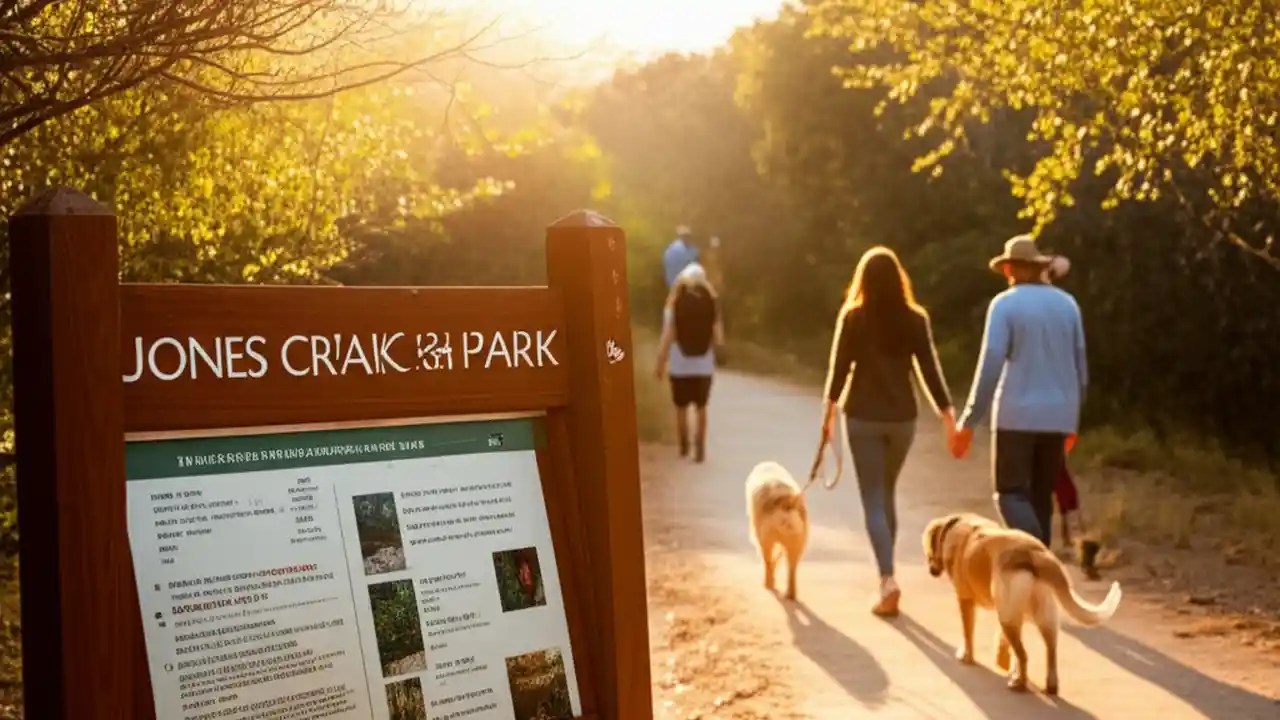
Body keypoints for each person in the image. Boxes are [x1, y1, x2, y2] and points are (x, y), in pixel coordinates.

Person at [820, 247, 956, 616]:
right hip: (902, 420)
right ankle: (887, 575)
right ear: (899, 280)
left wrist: (828, 414)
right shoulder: (915, 319)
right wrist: (947, 413)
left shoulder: (853, 317)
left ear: (863, 280)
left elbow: (839, 370)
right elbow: (929, 369)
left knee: (873, 499)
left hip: (863, 417)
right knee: (887, 493)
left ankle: (887, 579)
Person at [951, 235, 1088, 551]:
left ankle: (1034, 551)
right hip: (1058, 416)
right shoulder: (1068, 305)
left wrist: (969, 420)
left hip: (1015, 416)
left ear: (1010, 268)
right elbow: (1081, 369)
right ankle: (1039, 576)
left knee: (1010, 493)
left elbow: (990, 365)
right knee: (1041, 498)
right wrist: (1072, 422)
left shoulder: (1005, 304)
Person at [1041, 255, 1101, 578]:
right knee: (1057, 471)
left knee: (1043, 475)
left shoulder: (1030, 307)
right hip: (1060, 403)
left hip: (1036, 406)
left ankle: (1062, 538)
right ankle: (1075, 535)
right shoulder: (1065, 309)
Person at [655, 263, 723, 463]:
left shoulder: (674, 304)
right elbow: (718, 337)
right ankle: (700, 446)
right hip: (704, 366)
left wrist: (660, 361)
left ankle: (683, 445)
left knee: (681, 407)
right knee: (702, 407)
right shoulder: (711, 303)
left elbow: (668, 335)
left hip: (679, 365)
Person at [662, 225, 699, 289]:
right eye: (684, 236)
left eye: (688, 236)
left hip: (690, 281)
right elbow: (669, 266)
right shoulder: (672, 249)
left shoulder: (693, 249)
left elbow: (696, 264)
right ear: (680, 236)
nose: (686, 238)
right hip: (676, 281)